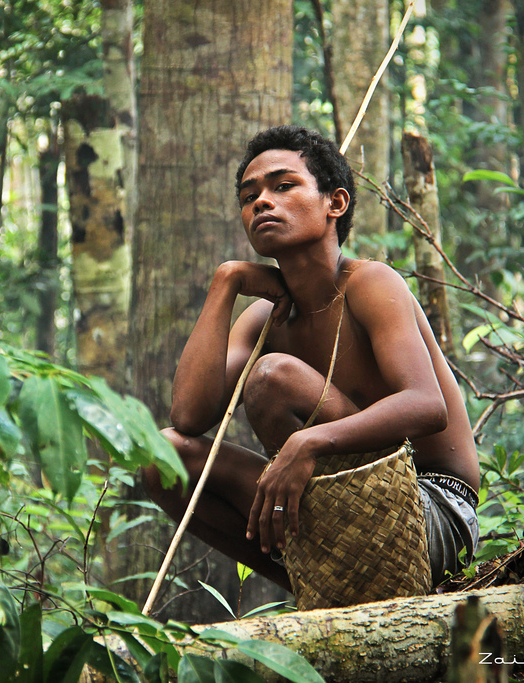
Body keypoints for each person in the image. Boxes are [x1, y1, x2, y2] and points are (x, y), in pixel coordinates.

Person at [143, 125, 480, 592]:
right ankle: (311, 582)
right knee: (163, 457)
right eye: (249, 195)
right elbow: (189, 416)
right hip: (336, 526)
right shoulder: (264, 319)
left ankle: (338, 575)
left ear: (334, 204)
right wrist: (225, 283)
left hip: (431, 516)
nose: (262, 201)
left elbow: (426, 404)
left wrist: (308, 443)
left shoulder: (371, 283)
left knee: (273, 378)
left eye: (283, 186)